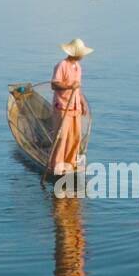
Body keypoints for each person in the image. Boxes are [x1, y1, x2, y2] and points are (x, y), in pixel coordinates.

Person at [49, 38, 93, 174]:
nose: (83, 56)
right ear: (75, 53)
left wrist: (82, 102)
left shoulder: (78, 67)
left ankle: (71, 163)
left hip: (75, 107)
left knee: (75, 137)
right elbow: (54, 84)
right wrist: (69, 86)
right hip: (63, 106)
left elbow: (77, 89)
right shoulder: (62, 65)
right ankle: (57, 165)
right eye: (81, 53)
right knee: (61, 137)